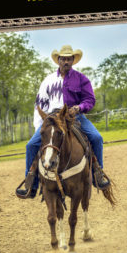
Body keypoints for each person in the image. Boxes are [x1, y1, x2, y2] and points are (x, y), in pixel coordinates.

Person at [16, 44, 110, 198]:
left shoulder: (81, 79)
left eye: (69, 59)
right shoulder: (48, 80)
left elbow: (90, 100)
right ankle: (30, 184)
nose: (66, 62)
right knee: (31, 145)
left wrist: (79, 108)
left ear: (73, 60)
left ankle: (97, 174)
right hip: (52, 118)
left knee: (96, 138)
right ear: (58, 60)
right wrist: (41, 123)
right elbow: (40, 102)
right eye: (63, 59)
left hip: (75, 117)